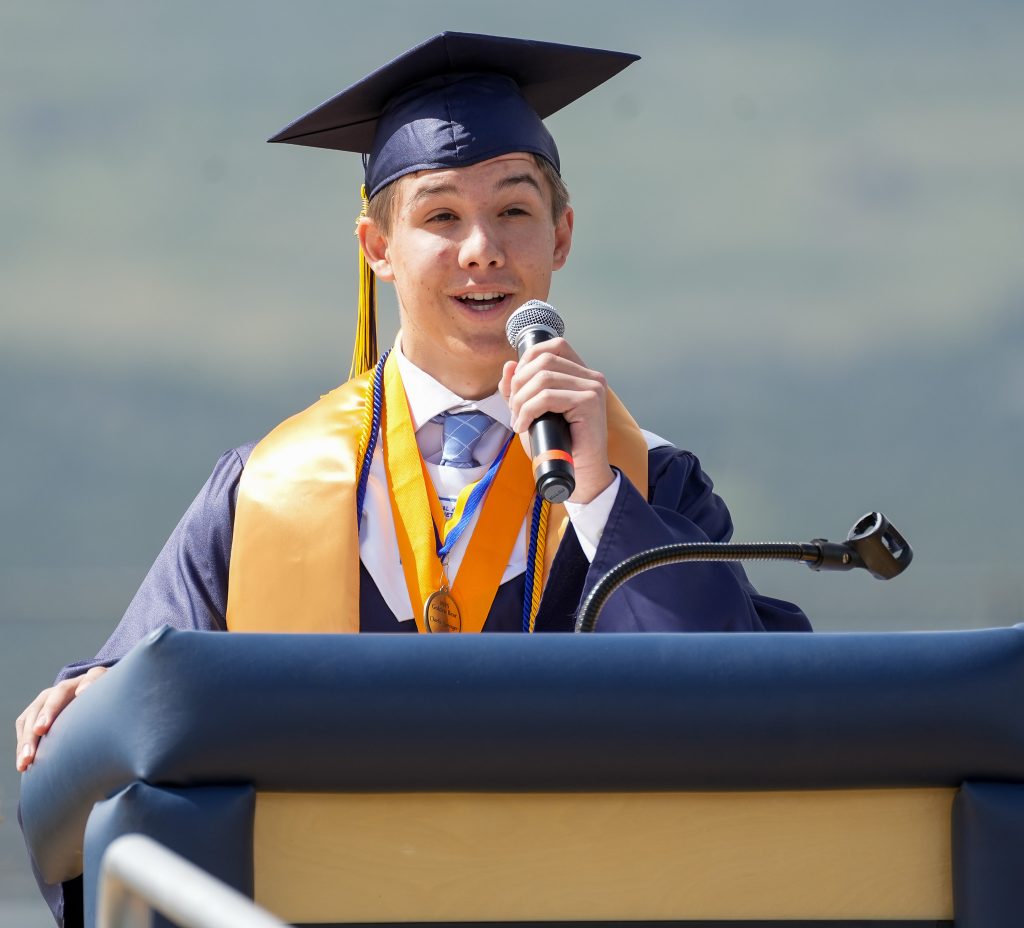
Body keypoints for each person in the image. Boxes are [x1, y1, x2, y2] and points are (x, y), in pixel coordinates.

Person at [18, 31, 810, 925]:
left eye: (515, 211)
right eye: (439, 217)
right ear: (376, 246)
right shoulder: (265, 491)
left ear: (563, 234)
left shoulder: (650, 479)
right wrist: (93, 698)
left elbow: (743, 714)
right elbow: (125, 721)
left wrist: (598, 500)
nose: (482, 248)